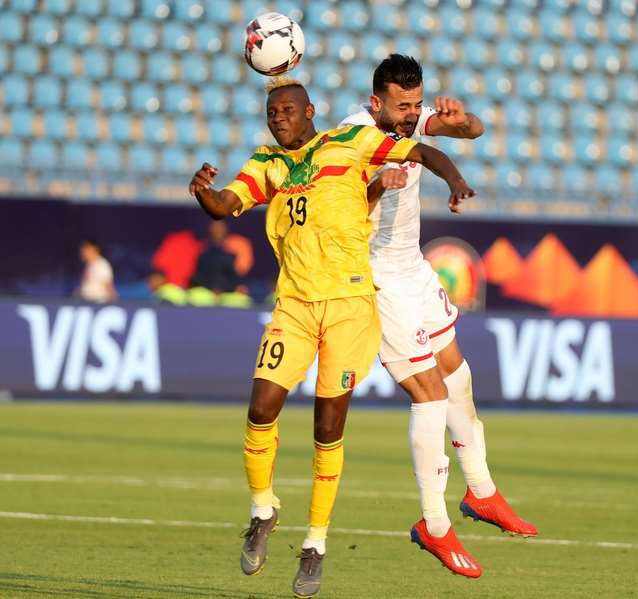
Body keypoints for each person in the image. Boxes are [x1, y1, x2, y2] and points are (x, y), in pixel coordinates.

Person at [188, 77, 474, 598]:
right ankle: (263, 509)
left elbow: (422, 150)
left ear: (310, 111)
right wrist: (204, 192)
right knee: (261, 408)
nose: (278, 117)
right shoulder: (267, 163)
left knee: (328, 425)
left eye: (287, 109)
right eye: (272, 111)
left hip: (348, 308)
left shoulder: (350, 142)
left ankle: (315, 543)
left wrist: (454, 181)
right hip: (294, 305)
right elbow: (226, 204)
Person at [339, 54, 538, 577]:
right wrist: (377, 186)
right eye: (402, 106)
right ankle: (434, 523)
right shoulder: (352, 136)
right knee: (429, 393)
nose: (412, 114)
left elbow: (472, 131)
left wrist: (460, 118)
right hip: (375, 275)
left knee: (458, 376)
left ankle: (482, 492)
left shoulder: (409, 122)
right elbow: (338, 211)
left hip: (413, 267)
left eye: (418, 104)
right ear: (376, 102)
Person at [78, 239, 116, 303]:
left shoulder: (102, 265)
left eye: (86, 249)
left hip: (98, 303)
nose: (83, 252)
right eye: (82, 250)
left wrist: (114, 303)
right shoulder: (89, 265)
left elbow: (108, 286)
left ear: (95, 249)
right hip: (87, 302)